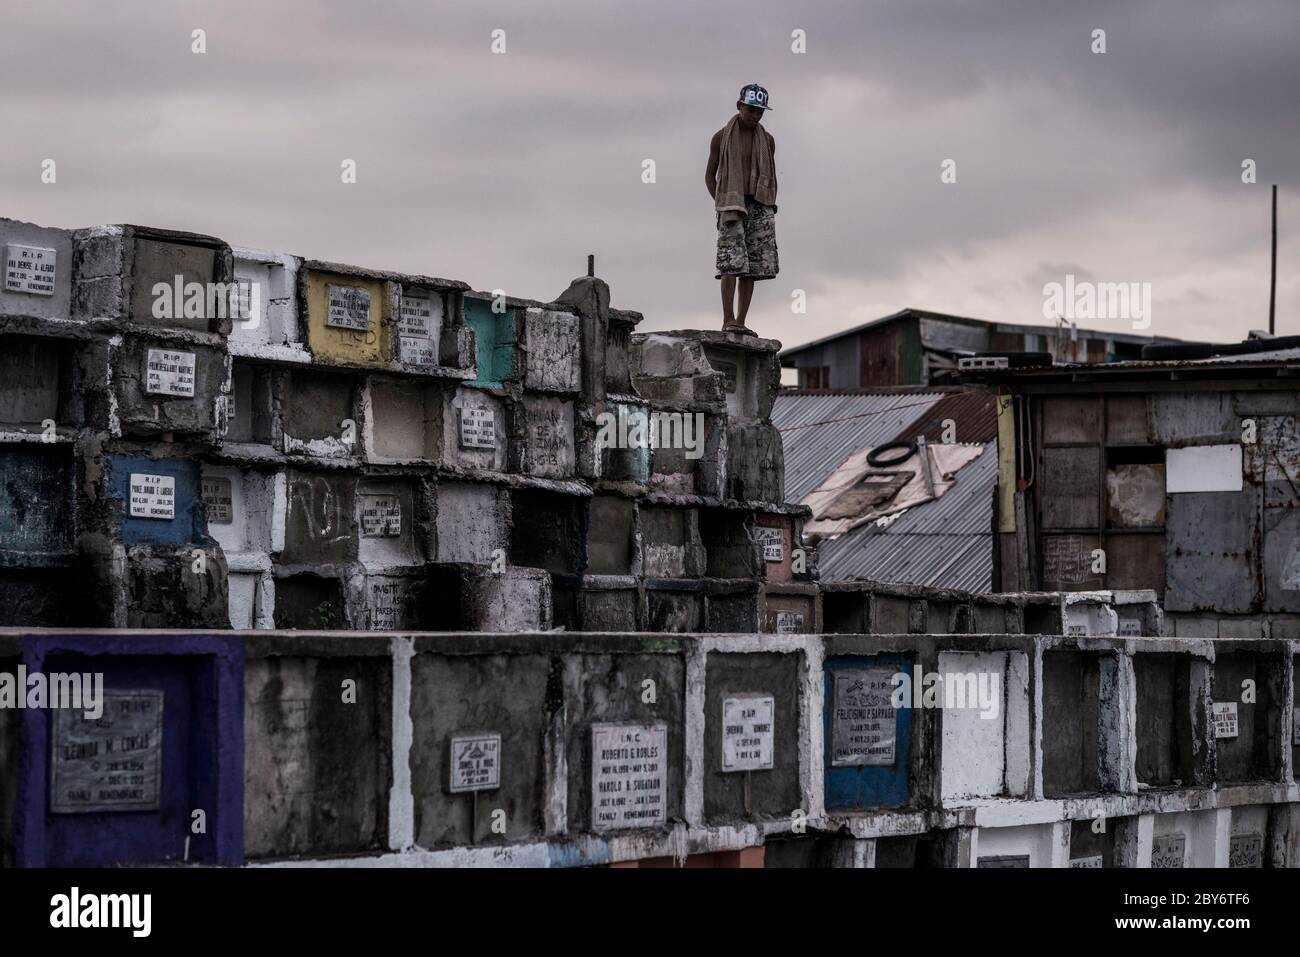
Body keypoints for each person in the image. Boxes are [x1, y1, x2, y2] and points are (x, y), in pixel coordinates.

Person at [705, 83, 778, 336]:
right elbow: (709, 176)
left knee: (753, 266)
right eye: (751, 110)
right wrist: (722, 204)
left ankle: (741, 320)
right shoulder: (720, 137)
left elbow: (771, 176)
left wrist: (765, 205)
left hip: (759, 205)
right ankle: (728, 319)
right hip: (731, 206)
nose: (755, 116)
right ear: (739, 106)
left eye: (759, 112)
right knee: (731, 264)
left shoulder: (767, 140)